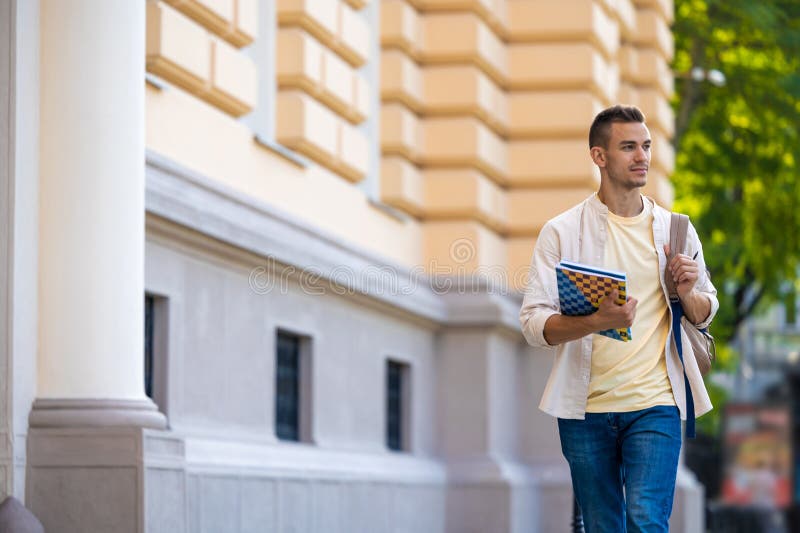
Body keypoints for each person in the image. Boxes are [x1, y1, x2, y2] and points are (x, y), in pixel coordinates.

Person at [519, 105, 718, 532]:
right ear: (599, 156)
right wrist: (595, 320)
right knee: (602, 524)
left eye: (645, 146)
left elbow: (704, 314)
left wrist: (687, 291)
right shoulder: (562, 232)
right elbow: (534, 323)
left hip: (656, 402)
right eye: (628, 147)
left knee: (647, 520)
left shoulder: (676, 230)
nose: (641, 156)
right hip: (585, 409)